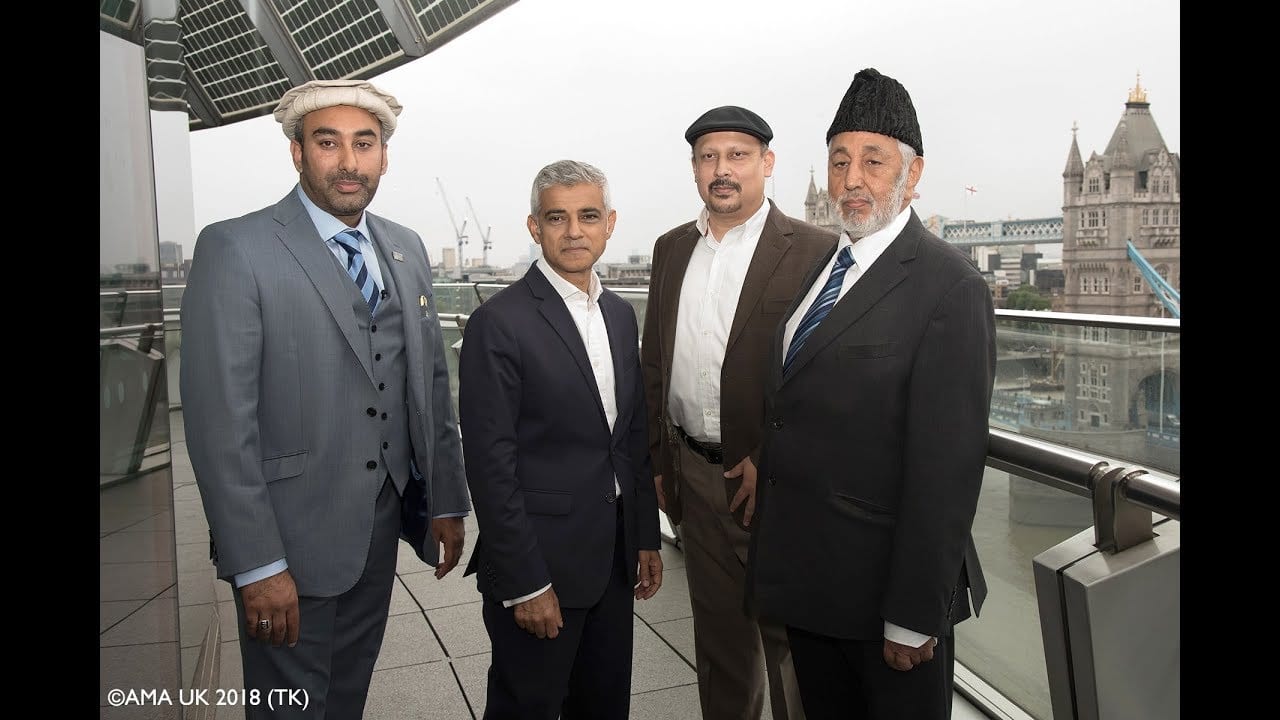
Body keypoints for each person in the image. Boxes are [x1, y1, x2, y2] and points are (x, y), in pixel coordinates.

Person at [180, 79, 470, 718]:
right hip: (289, 536)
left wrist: (445, 499)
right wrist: (256, 564)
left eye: (364, 144)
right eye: (328, 143)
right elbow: (219, 424)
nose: (348, 162)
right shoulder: (236, 248)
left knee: (347, 695)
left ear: (383, 157)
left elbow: (431, 384)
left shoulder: (406, 246)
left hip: (380, 527)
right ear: (297, 152)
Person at [746, 68, 996, 719]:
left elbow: (947, 469)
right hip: (812, 585)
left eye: (873, 161)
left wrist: (914, 615)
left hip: (885, 602)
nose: (851, 179)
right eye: (838, 160)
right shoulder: (827, 269)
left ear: (912, 176)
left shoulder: (949, 287)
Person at [641, 106, 836, 720]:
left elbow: (824, 379)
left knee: (790, 647)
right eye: (708, 157)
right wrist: (658, 462)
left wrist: (773, 457)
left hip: (772, 477)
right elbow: (655, 361)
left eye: (738, 156)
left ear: (767, 165)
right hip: (694, 475)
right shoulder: (671, 249)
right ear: (695, 168)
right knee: (720, 642)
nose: (722, 171)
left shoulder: (815, 249)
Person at [459, 160, 663, 719]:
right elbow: (490, 465)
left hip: (612, 561)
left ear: (610, 223)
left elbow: (630, 436)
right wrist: (526, 584)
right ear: (534, 228)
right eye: (558, 217)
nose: (574, 231)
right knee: (528, 707)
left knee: (603, 707)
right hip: (540, 564)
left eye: (588, 216)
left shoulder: (621, 316)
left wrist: (644, 535)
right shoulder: (498, 324)